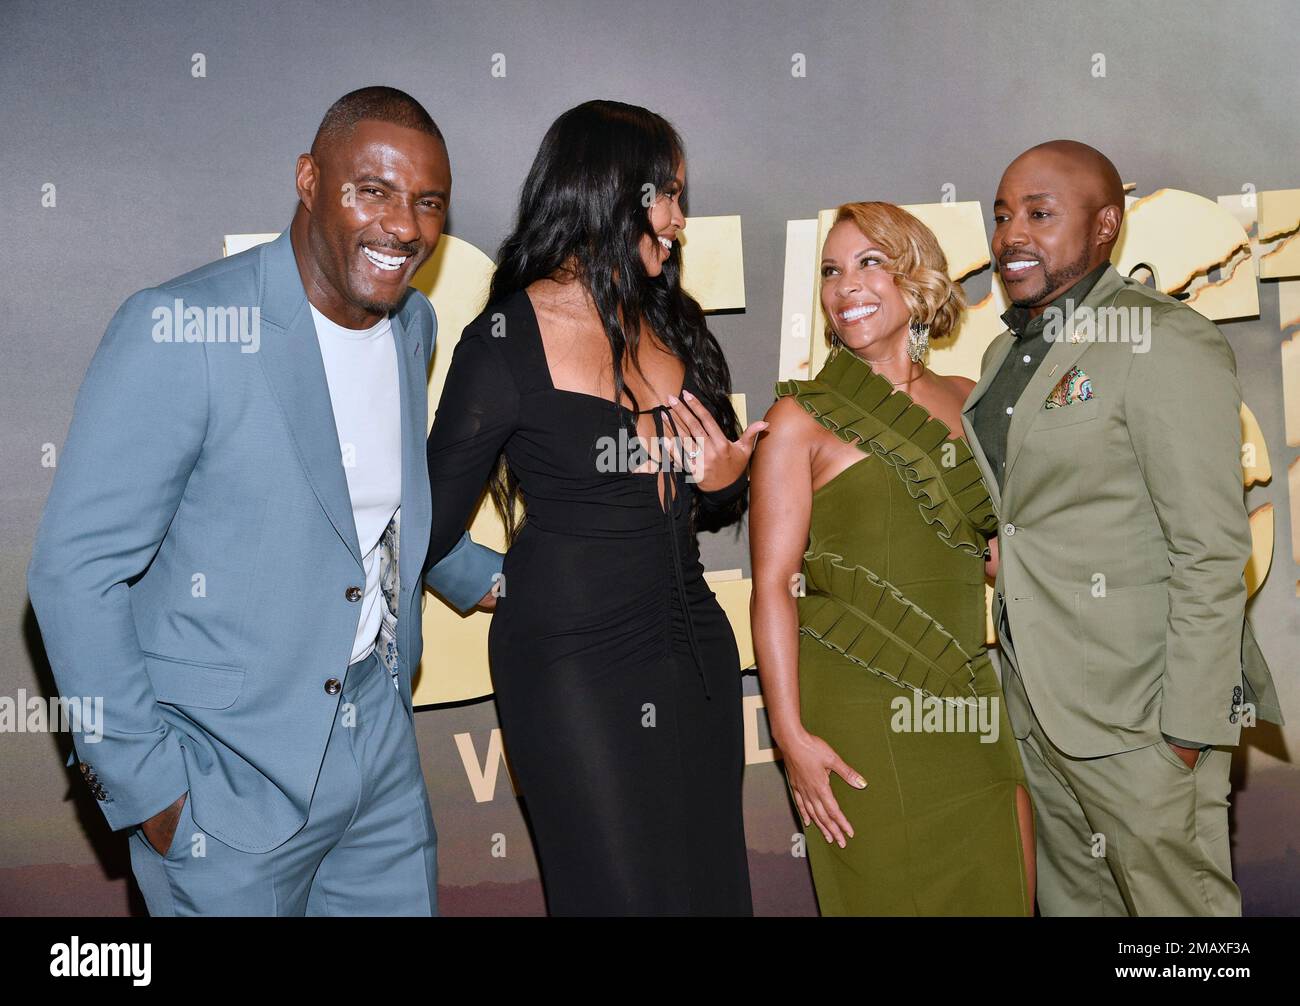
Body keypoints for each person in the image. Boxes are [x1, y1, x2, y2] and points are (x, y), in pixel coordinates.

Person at [26, 86, 501, 915]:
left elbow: (374, 499)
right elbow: (74, 574)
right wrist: (151, 795)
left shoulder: (409, 326)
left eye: (428, 203)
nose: (405, 227)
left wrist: (504, 576)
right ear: (309, 180)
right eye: (374, 191)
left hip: (375, 738)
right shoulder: (181, 329)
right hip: (223, 773)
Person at [422, 99, 764, 916]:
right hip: (572, 666)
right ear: (607, 192)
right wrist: (499, 580)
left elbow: (711, 491)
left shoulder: (671, 319)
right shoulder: (507, 337)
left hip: (693, 642)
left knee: (709, 890)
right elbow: (421, 520)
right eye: (667, 194)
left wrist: (724, 481)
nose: (681, 219)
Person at [963, 140, 1283, 916]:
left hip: (1143, 718)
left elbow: (1211, 549)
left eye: (1040, 213)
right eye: (1003, 215)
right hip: (1041, 707)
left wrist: (1185, 733)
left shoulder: (1162, 339)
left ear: (1106, 225)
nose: (1012, 234)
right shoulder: (1007, 350)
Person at [750, 201, 1035, 916]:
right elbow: (774, 589)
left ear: (918, 279)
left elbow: (1007, 559)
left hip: (969, 706)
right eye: (831, 270)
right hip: (859, 715)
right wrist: (790, 737)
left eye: (869, 262)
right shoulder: (800, 418)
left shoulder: (969, 403)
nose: (846, 285)